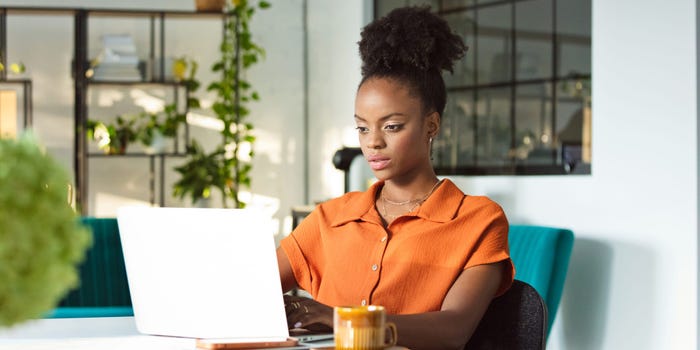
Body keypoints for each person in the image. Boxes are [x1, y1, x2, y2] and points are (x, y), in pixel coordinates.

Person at [277, 6, 514, 349]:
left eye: (391, 126)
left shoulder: (478, 220)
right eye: (362, 127)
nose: (372, 141)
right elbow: (253, 288)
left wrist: (338, 317)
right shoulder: (331, 217)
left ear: (431, 125)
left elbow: (454, 330)